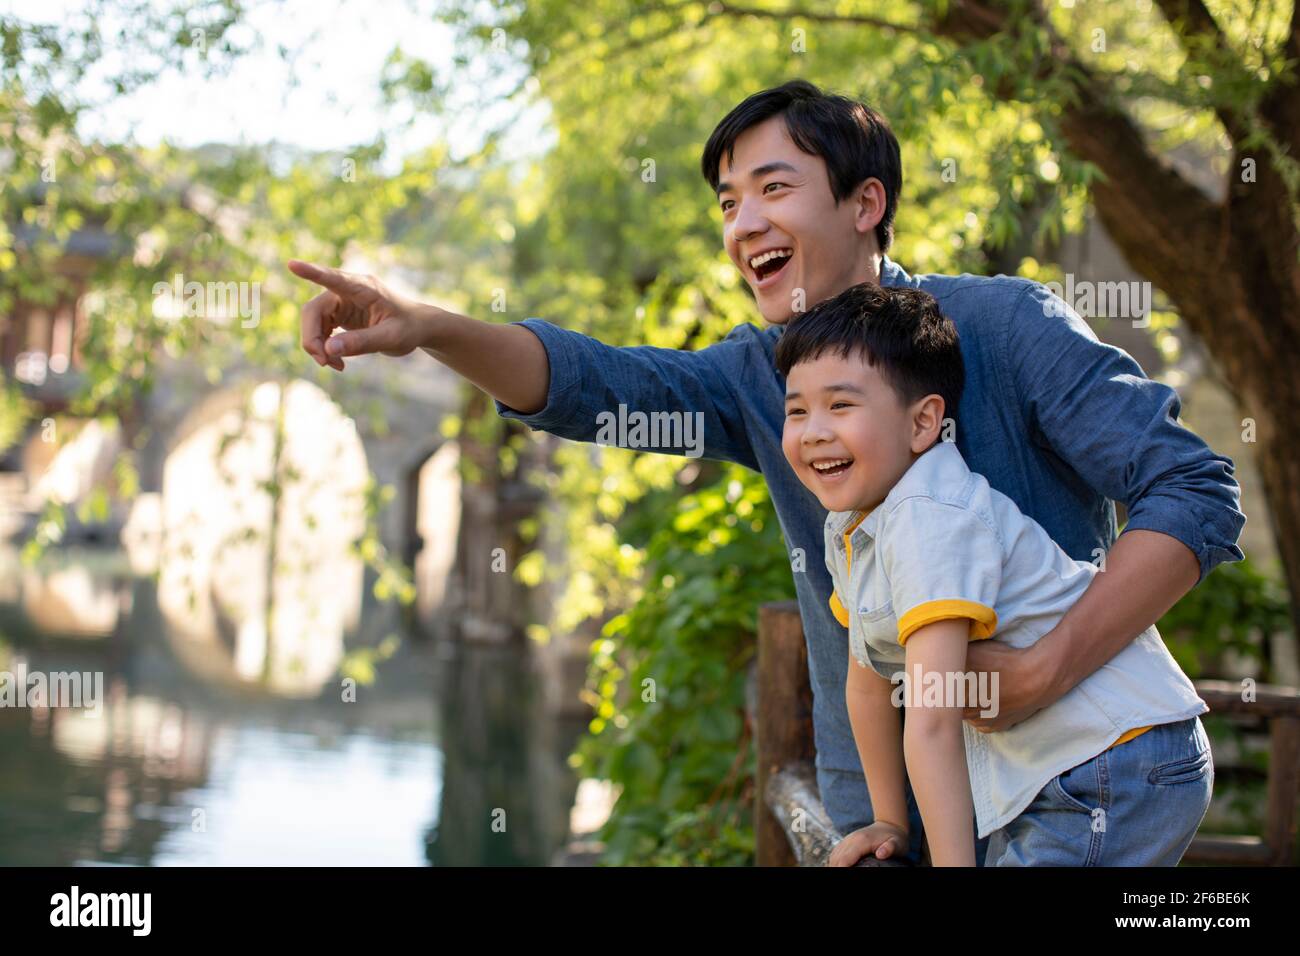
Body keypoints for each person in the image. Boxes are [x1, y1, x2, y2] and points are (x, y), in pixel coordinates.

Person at [289, 79, 1245, 865]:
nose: (745, 222)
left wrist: (1039, 669)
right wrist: (431, 328)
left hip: (1075, 776)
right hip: (884, 819)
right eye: (728, 202)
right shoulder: (759, 376)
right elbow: (598, 383)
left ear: (866, 204)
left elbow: (1195, 491)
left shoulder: (1006, 326)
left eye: (774, 188)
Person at [779, 282, 1213, 866]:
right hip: (1070, 767)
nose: (813, 430)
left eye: (841, 405)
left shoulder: (929, 518)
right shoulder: (852, 526)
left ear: (923, 422)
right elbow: (869, 679)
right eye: (797, 409)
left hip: (1115, 759)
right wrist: (889, 819)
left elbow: (931, 719)